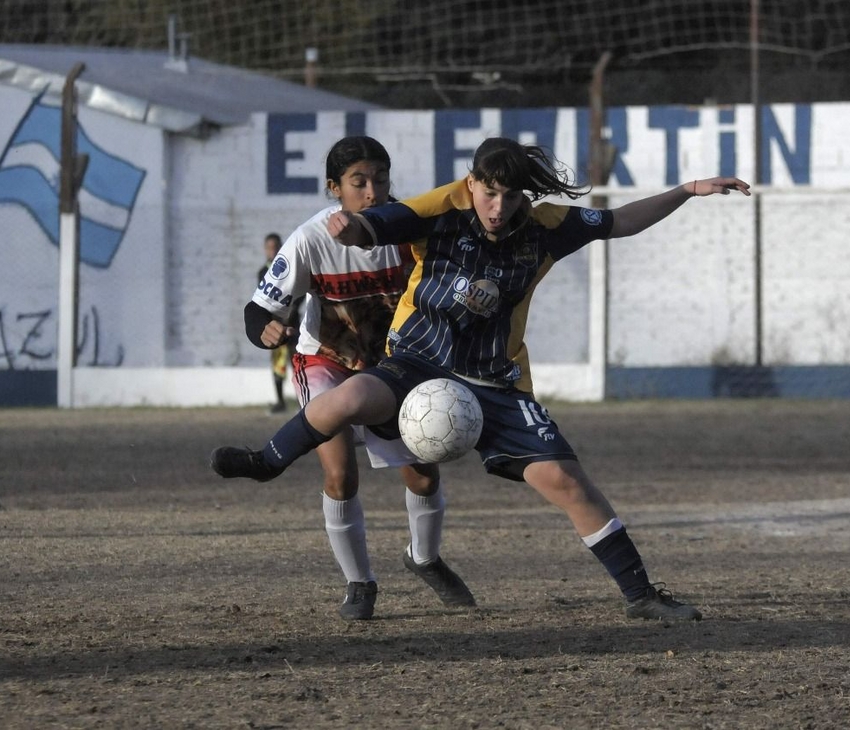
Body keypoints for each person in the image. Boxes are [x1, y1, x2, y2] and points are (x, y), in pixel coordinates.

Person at [214, 137, 752, 621]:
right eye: (489, 193)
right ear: (471, 183)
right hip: (417, 363)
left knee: (567, 482)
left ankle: (641, 596)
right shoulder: (441, 209)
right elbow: (376, 225)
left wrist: (687, 190)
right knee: (351, 395)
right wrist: (350, 229)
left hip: (496, 380)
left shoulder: (546, 228)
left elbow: (620, 221)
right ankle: (267, 461)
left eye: (510, 196)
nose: (498, 207)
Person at [245, 135, 474, 620]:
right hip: (324, 361)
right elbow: (258, 309)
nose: (372, 192)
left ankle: (424, 558)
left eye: (380, 180)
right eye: (358, 182)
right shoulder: (310, 239)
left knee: (423, 473)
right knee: (340, 474)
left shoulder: (410, 229)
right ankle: (359, 582)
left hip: (395, 364)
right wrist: (265, 329)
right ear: (334, 188)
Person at [258, 232, 300, 414]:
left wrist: (290, 310)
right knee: (277, 364)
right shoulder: (263, 273)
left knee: (297, 362)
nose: (273, 251)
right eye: (269, 248)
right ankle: (280, 401)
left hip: (292, 324)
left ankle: (302, 400)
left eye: (275, 247)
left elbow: (299, 294)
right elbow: (261, 299)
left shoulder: (291, 269)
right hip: (274, 325)